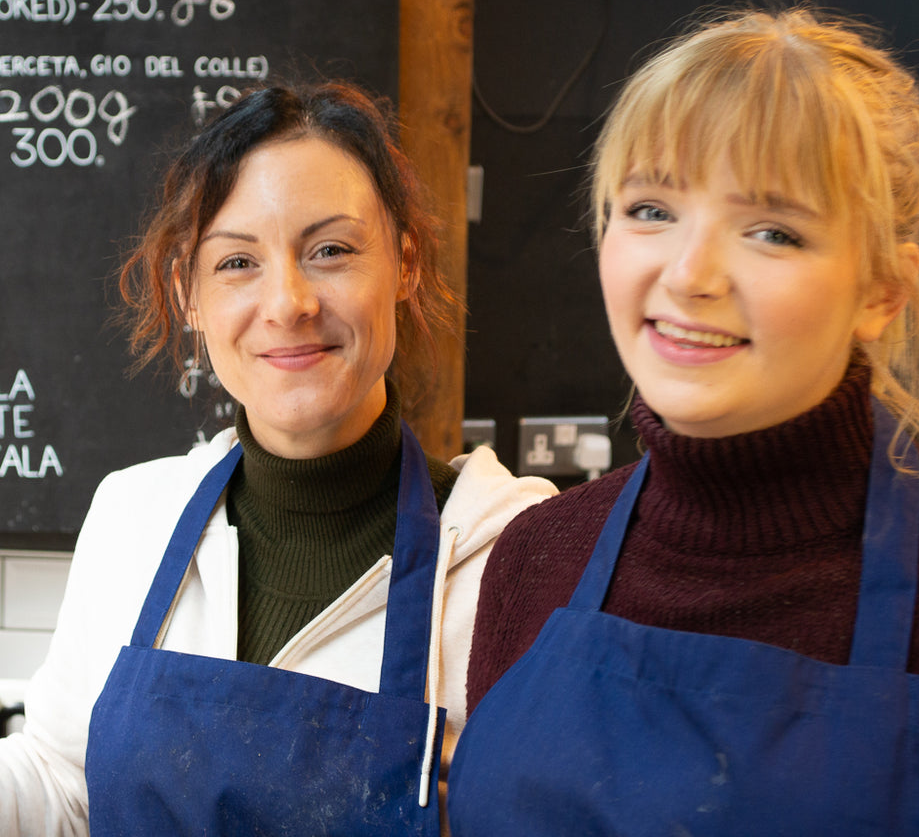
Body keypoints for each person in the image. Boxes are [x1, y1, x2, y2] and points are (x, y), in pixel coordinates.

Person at [447, 5, 919, 836]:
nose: (690, 274)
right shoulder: (535, 557)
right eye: (651, 210)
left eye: (772, 231)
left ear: (881, 292)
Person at [0, 81, 556, 836]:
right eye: (236, 263)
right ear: (187, 294)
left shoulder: (522, 555)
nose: (288, 301)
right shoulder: (134, 515)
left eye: (330, 250)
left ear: (405, 264)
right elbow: (62, 786)